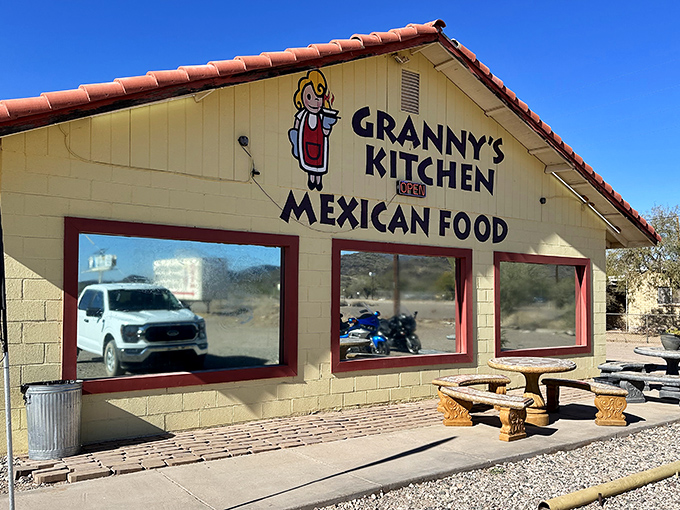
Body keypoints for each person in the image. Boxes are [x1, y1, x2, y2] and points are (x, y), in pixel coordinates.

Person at [288, 70, 338, 190]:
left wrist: (328, 124)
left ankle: (318, 180)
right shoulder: (302, 114)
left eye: (319, 98)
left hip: (320, 144)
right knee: (308, 161)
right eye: (310, 97)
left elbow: (326, 133)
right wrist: (295, 136)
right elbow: (297, 125)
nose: (315, 101)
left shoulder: (322, 116)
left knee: (320, 161)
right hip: (305, 142)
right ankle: (311, 179)